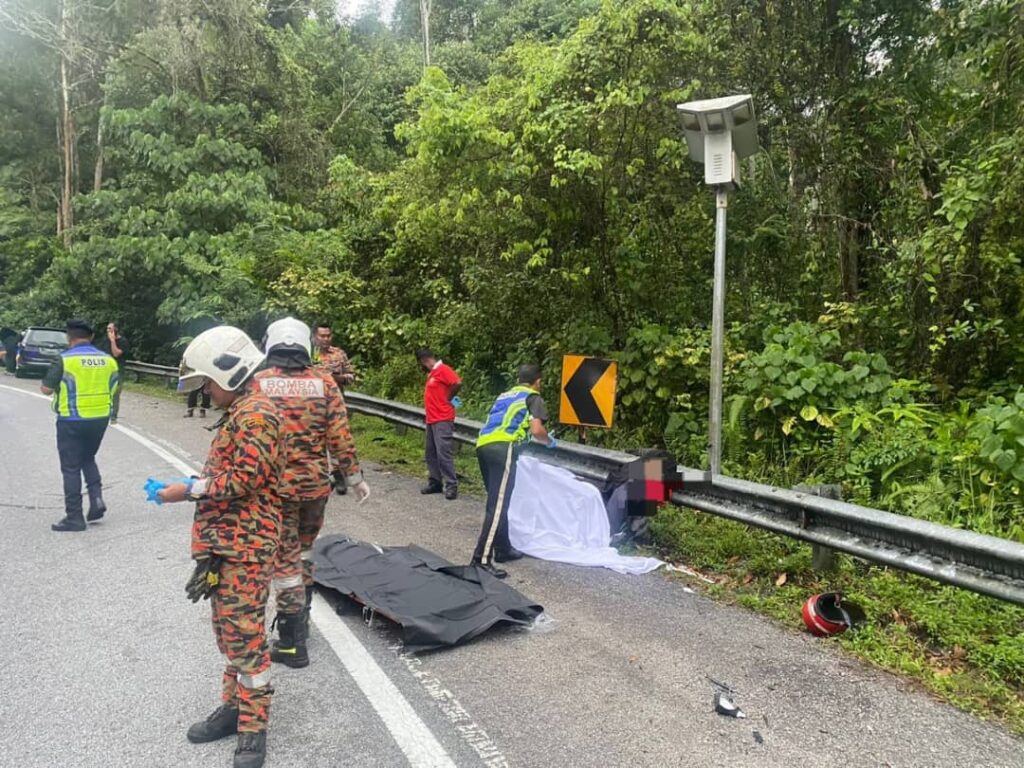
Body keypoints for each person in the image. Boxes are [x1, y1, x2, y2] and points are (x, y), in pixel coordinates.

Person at [154, 326, 281, 768]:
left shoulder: (257, 415)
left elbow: (246, 478)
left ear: (229, 373)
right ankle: (233, 707)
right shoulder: (243, 410)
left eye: (208, 382)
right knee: (230, 633)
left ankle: (253, 727)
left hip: (247, 546)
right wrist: (192, 486)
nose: (205, 391)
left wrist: (189, 489)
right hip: (227, 543)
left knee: (245, 636)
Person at [255, 317, 370, 669]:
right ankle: (301, 621)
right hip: (315, 485)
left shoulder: (258, 383)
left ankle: (292, 641)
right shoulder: (324, 382)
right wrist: (354, 477)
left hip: (276, 489)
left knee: (284, 560)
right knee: (304, 552)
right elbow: (340, 435)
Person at [472, 364, 556, 578]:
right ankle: (481, 560)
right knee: (497, 506)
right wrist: (548, 441)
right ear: (538, 381)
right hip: (504, 448)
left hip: (483, 445)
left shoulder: (505, 395)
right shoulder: (533, 397)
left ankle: (503, 548)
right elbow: (536, 430)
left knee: (498, 501)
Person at [40, 320, 117, 532]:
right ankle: (96, 499)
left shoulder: (64, 359)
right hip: (100, 418)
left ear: (69, 338)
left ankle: (74, 517)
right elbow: (114, 386)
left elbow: (46, 389)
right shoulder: (108, 360)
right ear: (91, 338)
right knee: (88, 457)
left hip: (72, 419)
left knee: (71, 467)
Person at [311, 321, 356, 495]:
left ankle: (338, 476)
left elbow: (351, 376)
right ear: (315, 336)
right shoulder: (308, 354)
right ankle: (320, 476)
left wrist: (338, 378)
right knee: (314, 442)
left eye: (328, 335)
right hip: (313, 407)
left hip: (335, 405)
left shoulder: (338, 354)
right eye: (322, 336)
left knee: (336, 440)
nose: (325, 339)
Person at [416, 348, 461, 500]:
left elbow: (457, 382)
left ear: (426, 360)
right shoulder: (432, 374)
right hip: (432, 418)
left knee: (443, 453)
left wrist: (449, 397)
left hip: (442, 418)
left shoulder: (442, 369)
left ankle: (451, 484)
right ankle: (435, 481)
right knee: (431, 452)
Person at [97, 322, 128, 424]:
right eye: (107, 329)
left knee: (115, 394)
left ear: (116, 329)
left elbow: (116, 354)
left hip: (117, 372)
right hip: (104, 371)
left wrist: (113, 341)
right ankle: (102, 413)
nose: (108, 331)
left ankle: (113, 416)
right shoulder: (104, 340)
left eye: (110, 329)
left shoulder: (123, 341)